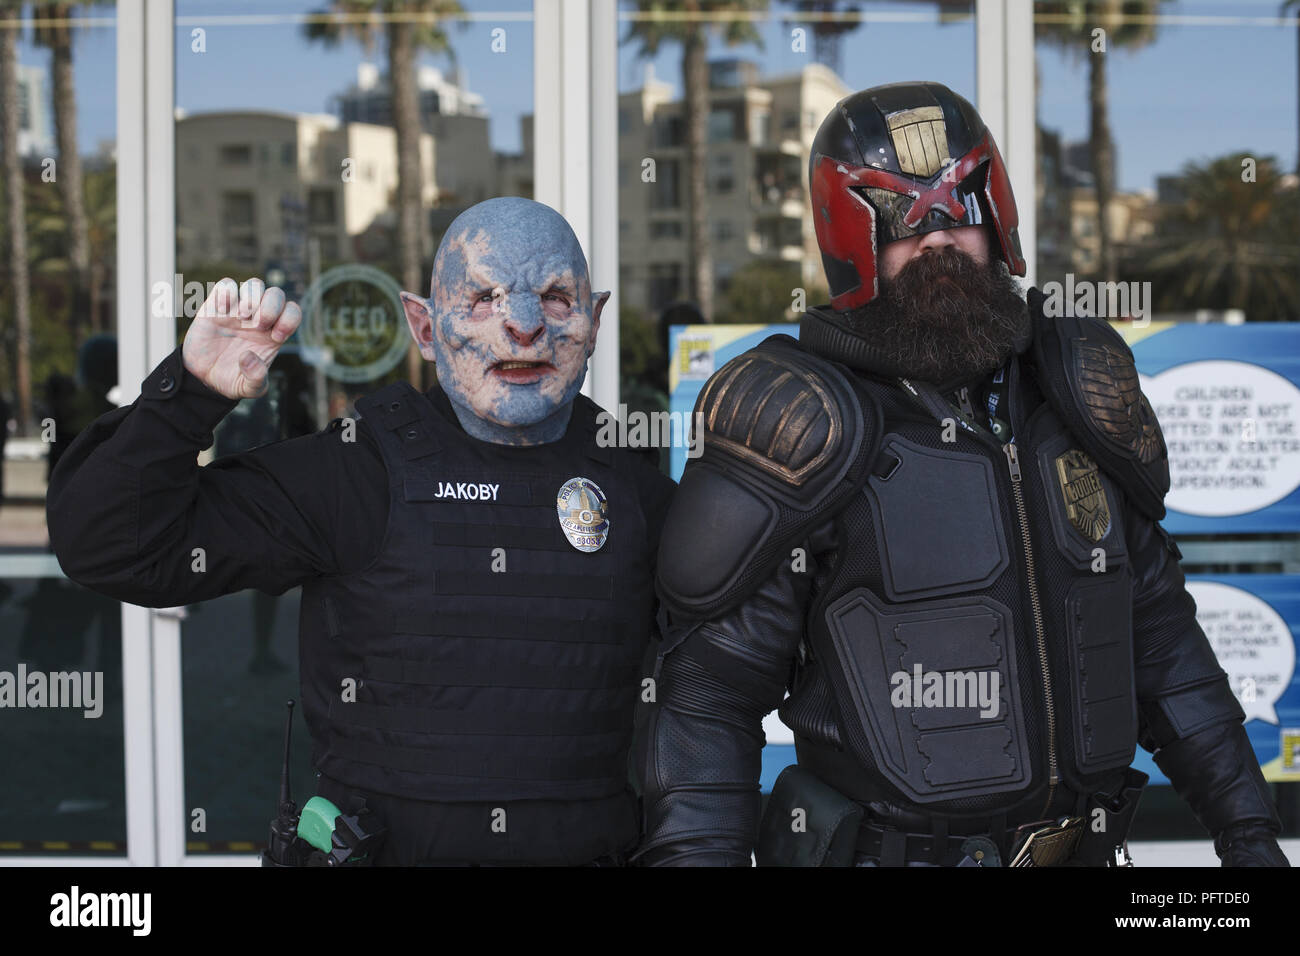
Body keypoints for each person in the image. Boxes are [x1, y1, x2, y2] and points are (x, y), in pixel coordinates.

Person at [638, 82, 1289, 867]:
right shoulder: (809, 424)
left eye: (958, 209)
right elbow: (709, 698)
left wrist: (1250, 835)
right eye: (898, 218)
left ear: (996, 216)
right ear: (852, 240)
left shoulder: (1073, 390)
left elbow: (1160, 645)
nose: (937, 239)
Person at [47, 196, 675, 865]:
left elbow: (727, 684)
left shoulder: (634, 484)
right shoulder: (356, 469)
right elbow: (108, 545)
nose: (522, 325)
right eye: (485, 296)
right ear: (425, 328)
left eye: (554, 296)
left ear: (595, 318)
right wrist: (190, 397)